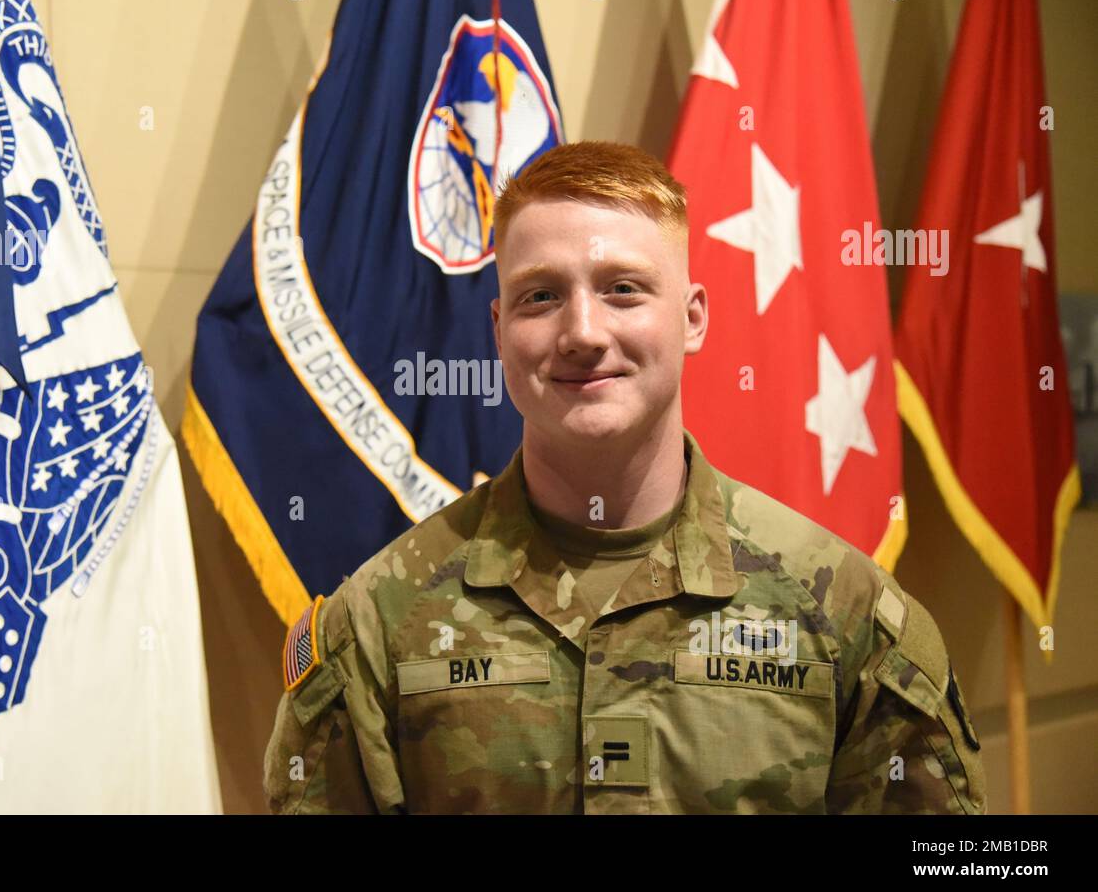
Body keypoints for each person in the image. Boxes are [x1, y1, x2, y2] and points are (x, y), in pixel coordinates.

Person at [262, 141, 986, 814]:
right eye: (540, 295)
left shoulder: (846, 616)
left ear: (693, 318)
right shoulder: (379, 622)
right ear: (498, 329)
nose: (582, 331)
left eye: (624, 289)